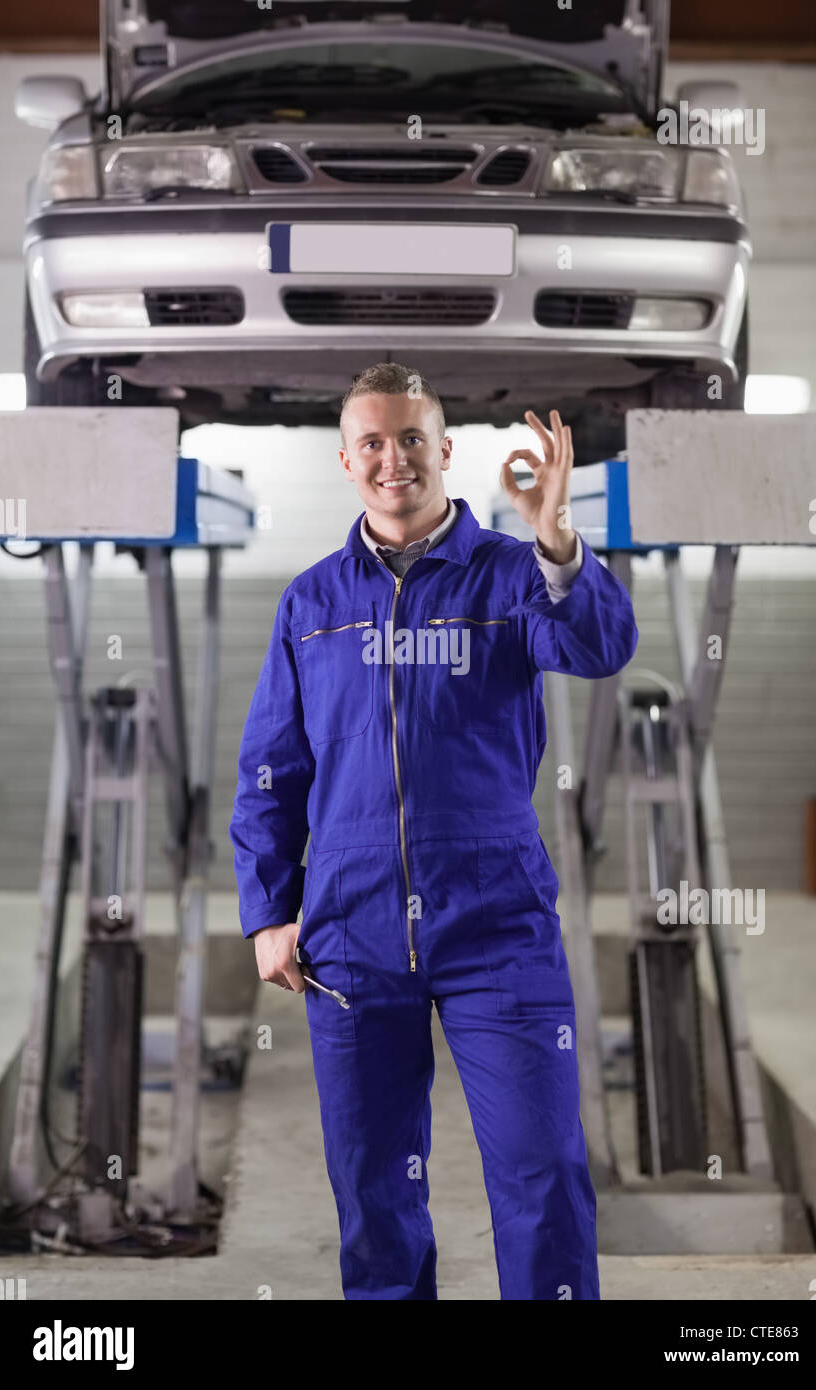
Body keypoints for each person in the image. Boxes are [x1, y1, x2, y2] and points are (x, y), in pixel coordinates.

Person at [229, 362, 638, 1300]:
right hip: (351, 931)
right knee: (373, 1189)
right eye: (372, 441)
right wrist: (267, 914)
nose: (393, 458)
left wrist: (559, 539)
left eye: (411, 438)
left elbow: (599, 646)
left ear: (445, 450)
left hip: (497, 925)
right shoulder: (312, 604)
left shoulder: (509, 573)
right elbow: (270, 774)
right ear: (345, 459)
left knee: (540, 1170)